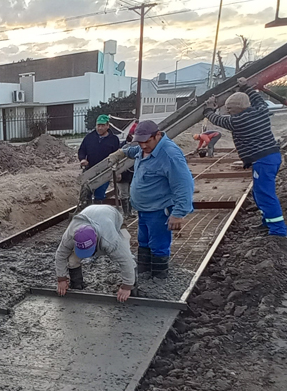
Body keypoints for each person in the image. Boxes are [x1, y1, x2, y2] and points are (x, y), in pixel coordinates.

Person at [109, 120, 194, 279]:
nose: (142, 146)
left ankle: (159, 279)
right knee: (144, 242)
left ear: (158, 135)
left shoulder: (169, 155)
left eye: (146, 142)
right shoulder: (145, 148)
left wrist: (179, 213)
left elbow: (184, 184)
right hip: (144, 209)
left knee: (158, 246)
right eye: (140, 142)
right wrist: (122, 152)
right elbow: (136, 150)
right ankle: (144, 273)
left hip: (159, 210)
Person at [203, 78, 287, 236]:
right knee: (259, 192)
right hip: (272, 156)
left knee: (265, 194)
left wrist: (208, 110)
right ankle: (268, 222)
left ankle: (278, 231)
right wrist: (246, 87)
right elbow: (258, 99)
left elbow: (217, 120)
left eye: (229, 110)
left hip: (262, 161)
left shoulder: (238, 121)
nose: (228, 113)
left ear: (234, 110)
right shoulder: (261, 111)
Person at [54, 204, 135, 302]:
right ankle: (77, 285)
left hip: (114, 219)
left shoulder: (110, 240)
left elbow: (126, 260)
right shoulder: (70, 235)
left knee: (127, 253)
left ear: (96, 240)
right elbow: (60, 255)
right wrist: (61, 278)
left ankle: (134, 288)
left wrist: (127, 286)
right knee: (72, 260)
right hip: (90, 214)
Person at [78, 115, 122, 203]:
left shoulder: (113, 140)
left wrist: (118, 171)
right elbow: (82, 150)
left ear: (107, 126)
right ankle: (86, 209)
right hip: (90, 169)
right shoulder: (89, 137)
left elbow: (118, 155)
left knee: (99, 194)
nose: (100, 128)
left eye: (102, 125)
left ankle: (97, 209)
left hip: (105, 170)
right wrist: (82, 159)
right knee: (85, 194)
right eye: (98, 125)